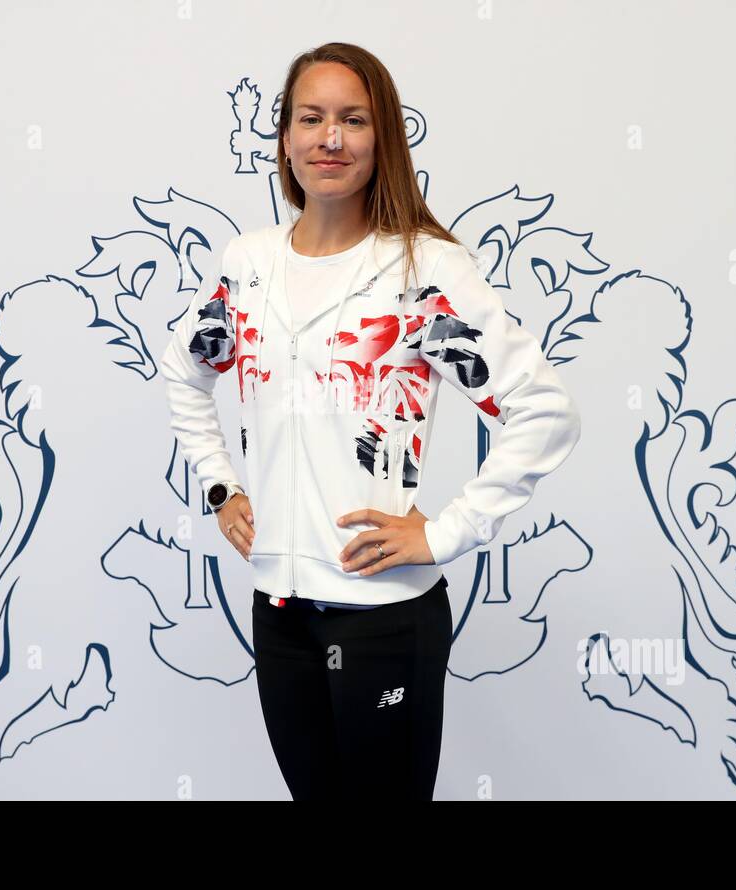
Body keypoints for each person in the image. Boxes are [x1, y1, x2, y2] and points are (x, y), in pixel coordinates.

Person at [160, 42, 581, 800]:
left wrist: (447, 531)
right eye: (310, 118)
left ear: (383, 136)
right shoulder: (248, 263)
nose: (330, 138)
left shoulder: (422, 271)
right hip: (280, 611)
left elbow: (544, 412)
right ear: (284, 139)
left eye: (353, 120)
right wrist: (224, 491)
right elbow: (184, 371)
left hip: (383, 618)